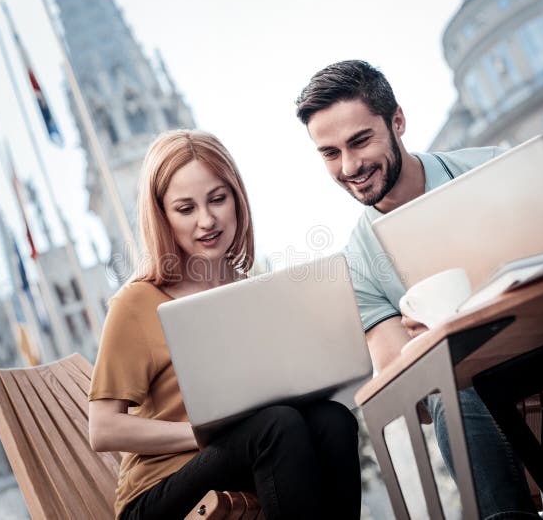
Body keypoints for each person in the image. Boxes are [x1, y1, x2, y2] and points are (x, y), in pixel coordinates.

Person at [294, 59, 543, 519]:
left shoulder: (495, 166)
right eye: (330, 153)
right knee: (448, 388)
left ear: (397, 121)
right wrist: (426, 346)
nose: (349, 166)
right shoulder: (357, 264)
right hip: (495, 408)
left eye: (360, 141)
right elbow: (410, 391)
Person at [87, 130, 362, 520]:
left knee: (333, 420)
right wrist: (202, 433)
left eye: (218, 199)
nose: (207, 220)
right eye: (186, 209)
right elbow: (103, 429)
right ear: (163, 216)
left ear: (237, 198)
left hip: (249, 454)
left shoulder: (252, 291)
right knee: (276, 425)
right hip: (158, 495)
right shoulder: (137, 302)